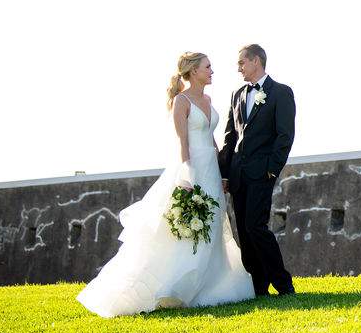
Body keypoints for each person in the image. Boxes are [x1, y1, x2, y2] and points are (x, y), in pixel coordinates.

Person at [77, 52, 255, 317]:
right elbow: (183, 144)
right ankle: (178, 286)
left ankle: (211, 284)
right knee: (189, 229)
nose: (212, 70)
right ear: (194, 71)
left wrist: (222, 172)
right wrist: (187, 178)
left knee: (214, 224)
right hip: (192, 169)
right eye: (208, 67)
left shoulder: (208, 99)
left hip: (212, 171)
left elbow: (212, 139)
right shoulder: (181, 102)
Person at [218, 44, 296, 296]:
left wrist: (271, 170)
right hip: (239, 174)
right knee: (244, 229)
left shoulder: (281, 93)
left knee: (255, 226)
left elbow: (285, 136)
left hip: (262, 173)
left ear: (256, 61)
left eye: (241, 62)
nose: (238, 67)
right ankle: (258, 287)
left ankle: (283, 283)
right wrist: (225, 173)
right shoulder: (237, 94)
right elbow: (230, 136)